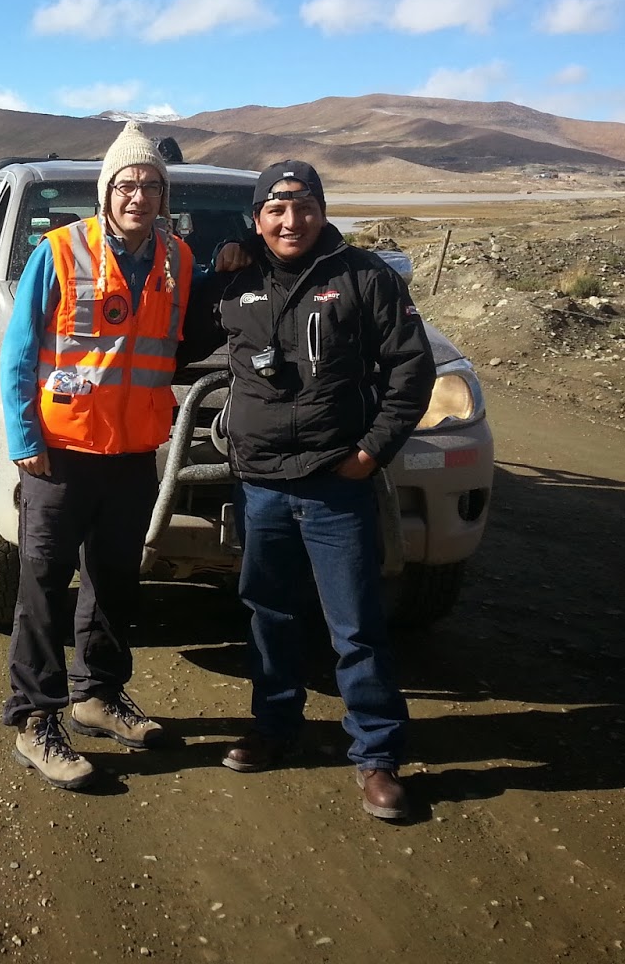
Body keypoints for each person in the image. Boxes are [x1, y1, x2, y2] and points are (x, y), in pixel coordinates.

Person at [210, 160, 435, 820]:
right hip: (259, 484)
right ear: (257, 217)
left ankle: (377, 757)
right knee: (269, 614)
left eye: (302, 206)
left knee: (356, 624)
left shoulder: (366, 277)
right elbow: (176, 332)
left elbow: (411, 372)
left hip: (336, 483)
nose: (290, 220)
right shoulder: (234, 278)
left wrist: (370, 452)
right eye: (275, 209)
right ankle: (275, 728)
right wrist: (220, 259)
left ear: (322, 210)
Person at [0, 121, 194, 790]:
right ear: (107, 191)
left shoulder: (181, 260)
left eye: (152, 186)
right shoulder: (58, 252)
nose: (139, 196)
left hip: (134, 453)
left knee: (115, 583)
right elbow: (19, 354)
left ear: (165, 195)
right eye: (128, 184)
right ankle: (35, 720)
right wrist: (25, 441)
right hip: (60, 453)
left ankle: (97, 695)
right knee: (44, 588)